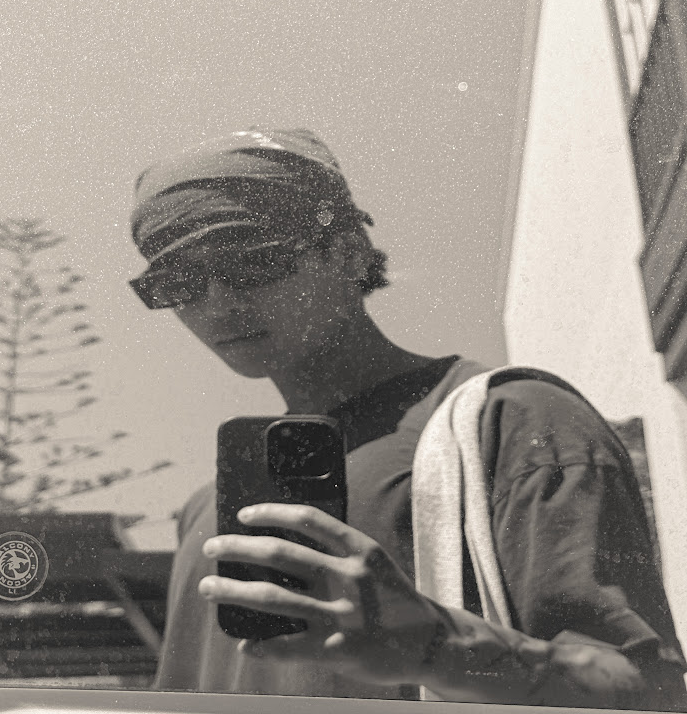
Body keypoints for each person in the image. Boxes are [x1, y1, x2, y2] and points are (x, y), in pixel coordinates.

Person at [128, 127, 687, 709]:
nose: (217, 302)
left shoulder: (511, 421)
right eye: (178, 282)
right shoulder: (206, 509)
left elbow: (647, 691)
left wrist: (436, 647)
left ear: (347, 251)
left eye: (251, 261)